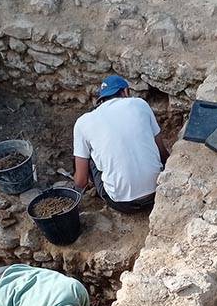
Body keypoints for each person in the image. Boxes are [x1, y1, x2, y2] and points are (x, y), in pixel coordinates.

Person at [72, 75, 169, 213]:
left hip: (122, 204)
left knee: (88, 155)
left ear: (101, 99)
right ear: (125, 92)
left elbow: (81, 181)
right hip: (157, 193)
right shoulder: (140, 104)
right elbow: (162, 152)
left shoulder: (83, 122)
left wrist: (74, 189)